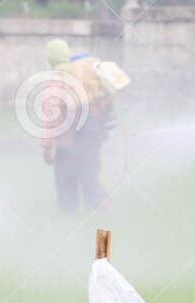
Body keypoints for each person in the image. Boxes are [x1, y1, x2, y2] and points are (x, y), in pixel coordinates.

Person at [41, 39, 115, 214]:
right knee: (90, 180)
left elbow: (52, 117)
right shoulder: (85, 76)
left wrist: (47, 148)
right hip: (91, 140)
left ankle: (69, 224)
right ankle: (102, 221)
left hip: (67, 145)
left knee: (66, 184)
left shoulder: (57, 79)